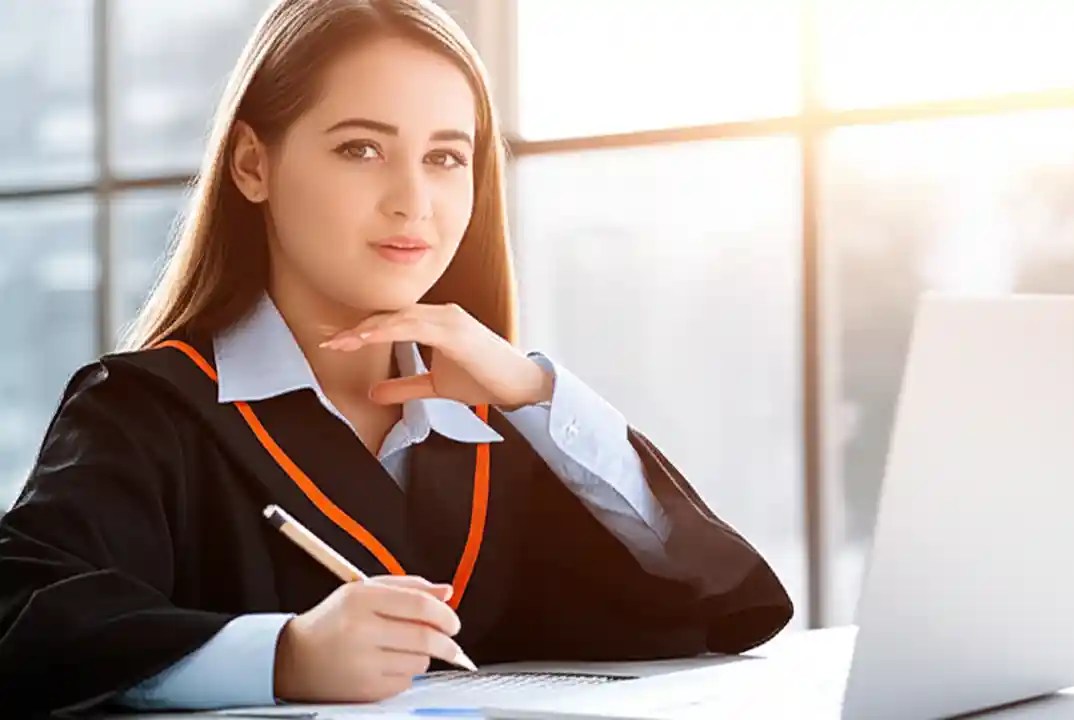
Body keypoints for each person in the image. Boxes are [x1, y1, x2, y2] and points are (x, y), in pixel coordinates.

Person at [0, 0, 792, 715]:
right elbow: (23, 618)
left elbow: (722, 603)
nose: (413, 200)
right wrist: (286, 655)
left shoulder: (506, 427)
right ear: (252, 164)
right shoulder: (144, 411)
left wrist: (536, 391)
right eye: (361, 150)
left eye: (447, 157)